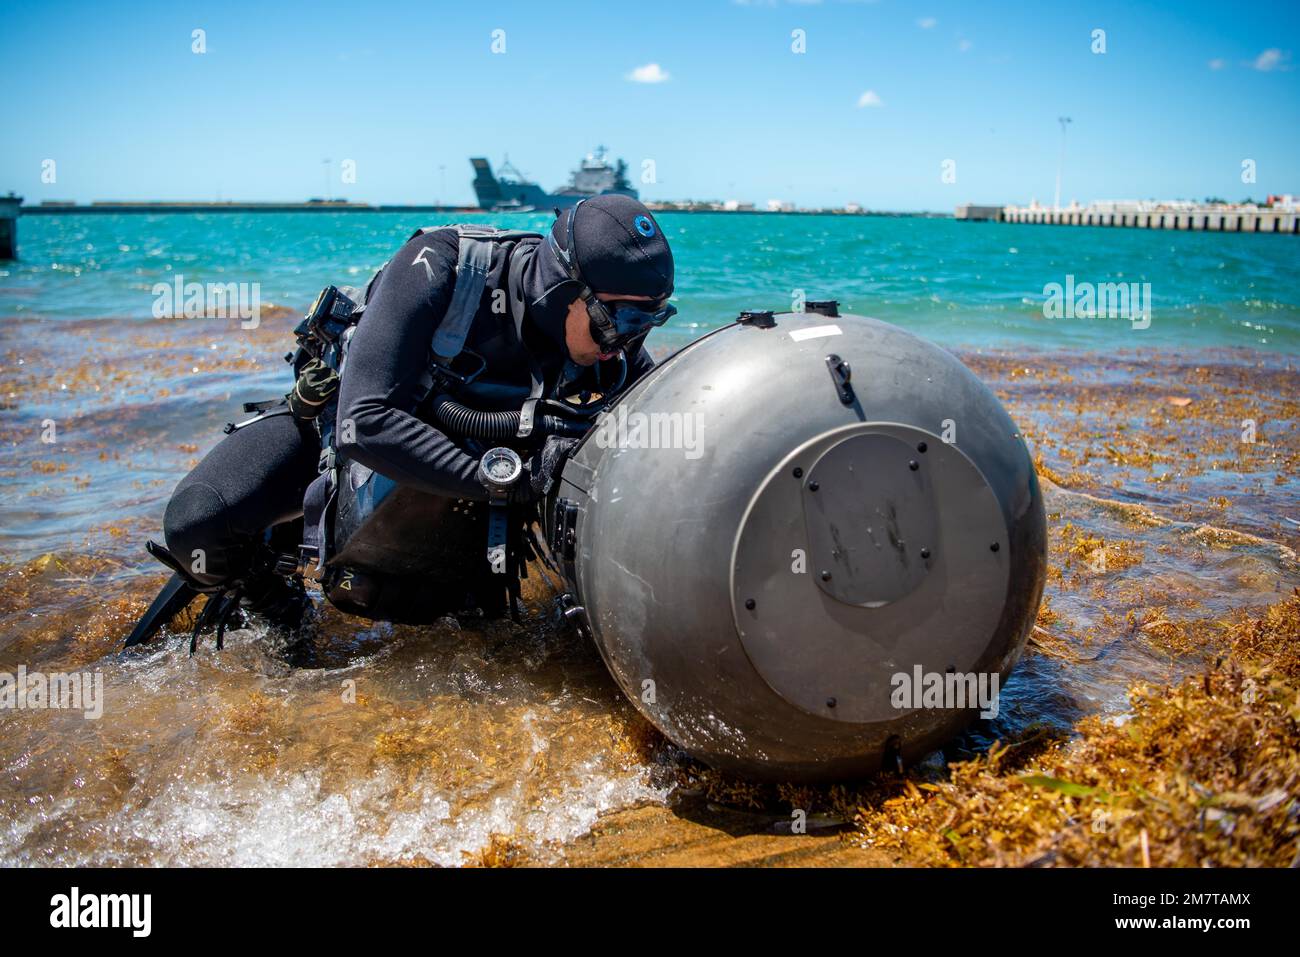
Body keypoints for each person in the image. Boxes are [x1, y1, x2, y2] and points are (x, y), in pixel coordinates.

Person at [131, 195, 675, 648]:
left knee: (479, 636)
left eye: (652, 319)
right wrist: (511, 479)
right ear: (561, 291)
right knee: (195, 524)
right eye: (622, 319)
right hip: (349, 442)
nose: (628, 341)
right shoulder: (443, 265)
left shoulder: (611, 342)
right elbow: (362, 422)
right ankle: (280, 610)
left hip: (474, 487)